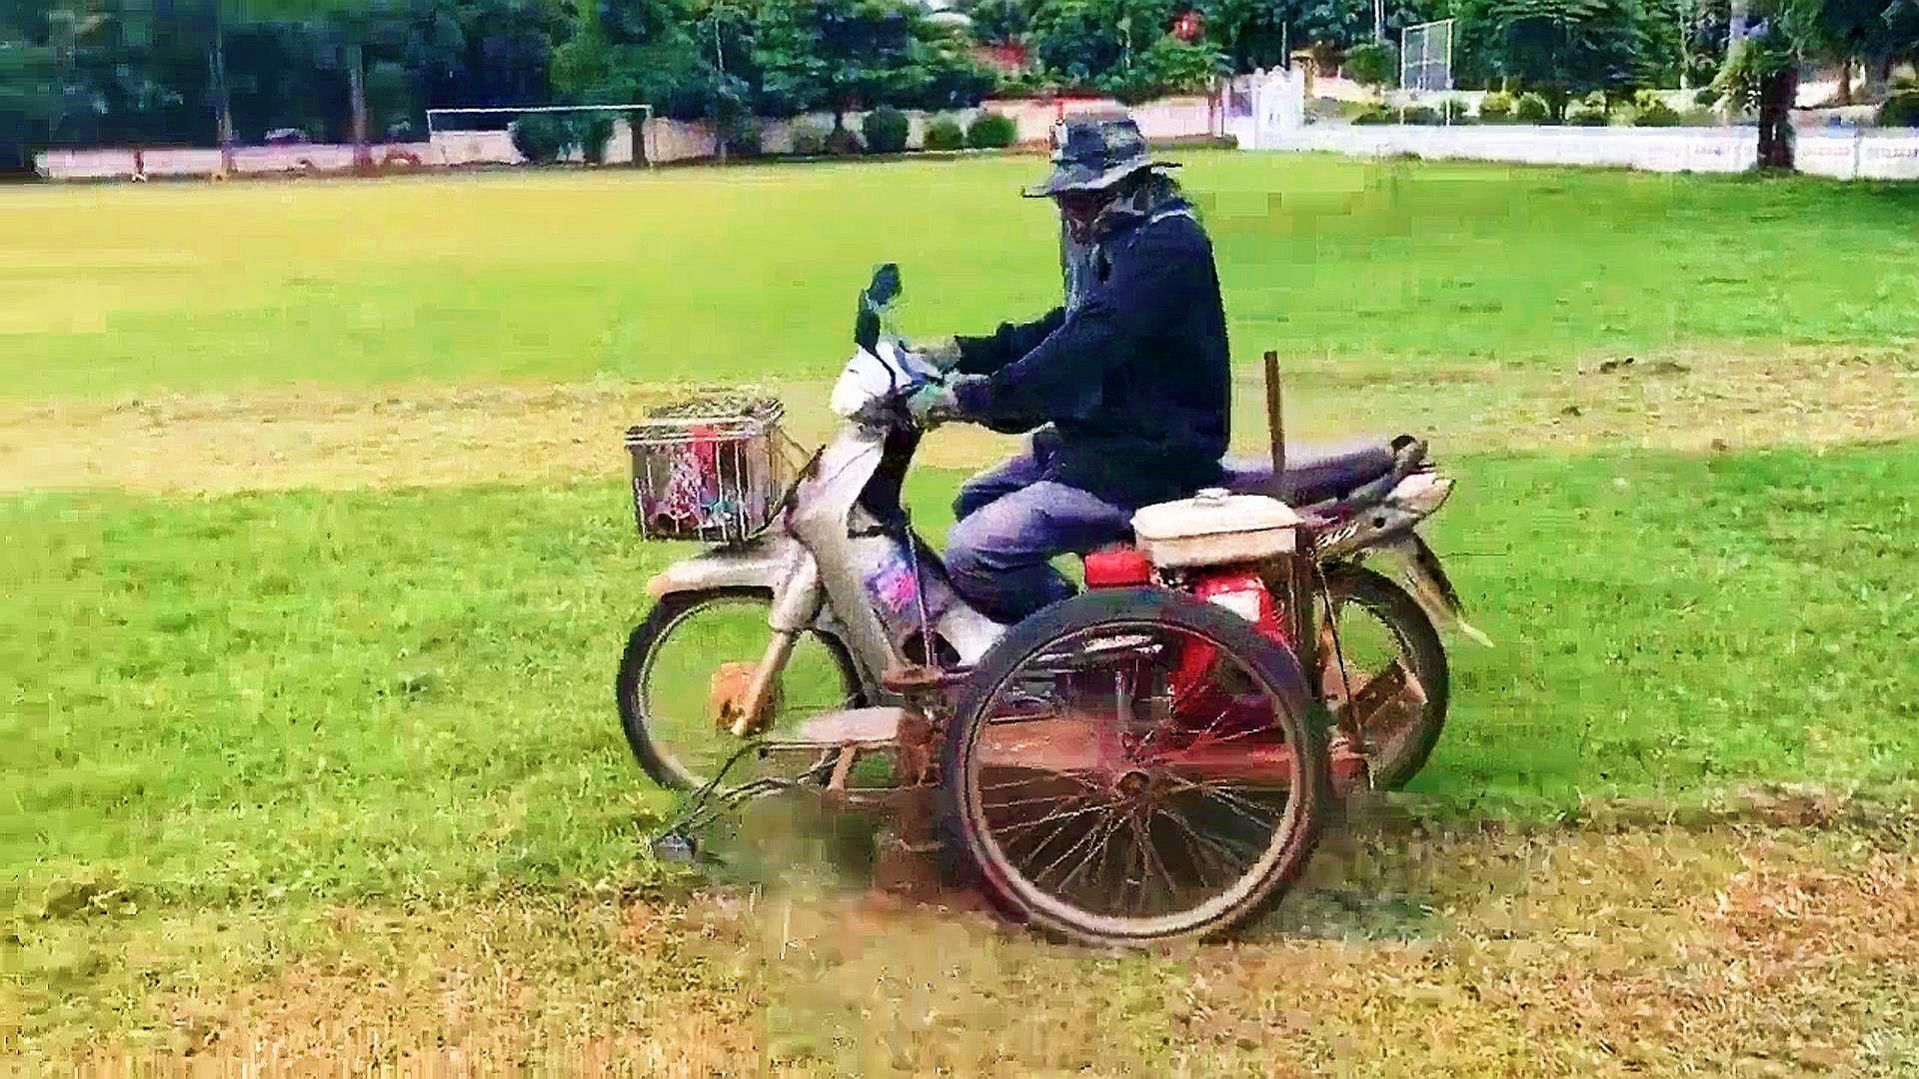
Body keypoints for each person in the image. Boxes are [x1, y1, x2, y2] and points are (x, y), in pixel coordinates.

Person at [907, 113, 1231, 624]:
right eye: (1064, 198)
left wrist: (970, 398)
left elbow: (1085, 347)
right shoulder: (1121, 240)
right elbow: (1069, 325)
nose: (1069, 212)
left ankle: (1080, 639)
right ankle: (1076, 620)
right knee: (975, 499)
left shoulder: (1167, 245)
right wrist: (962, 351)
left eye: (1079, 198)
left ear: (1124, 185)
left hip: (1148, 461)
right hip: (1099, 443)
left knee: (974, 552)